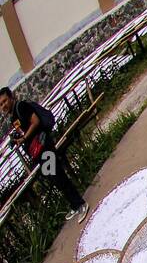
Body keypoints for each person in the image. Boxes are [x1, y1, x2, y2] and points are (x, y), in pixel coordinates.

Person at [1, 88, 87, 222]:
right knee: (54, 178)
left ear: (11, 97)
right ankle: (74, 204)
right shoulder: (13, 117)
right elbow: (24, 130)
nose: (3, 106)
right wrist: (19, 138)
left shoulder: (21, 106)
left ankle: (80, 204)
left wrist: (24, 138)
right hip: (37, 151)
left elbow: (36, 121)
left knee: (58, 176)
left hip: (44, 145)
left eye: (5, 101)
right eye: (0, 104)